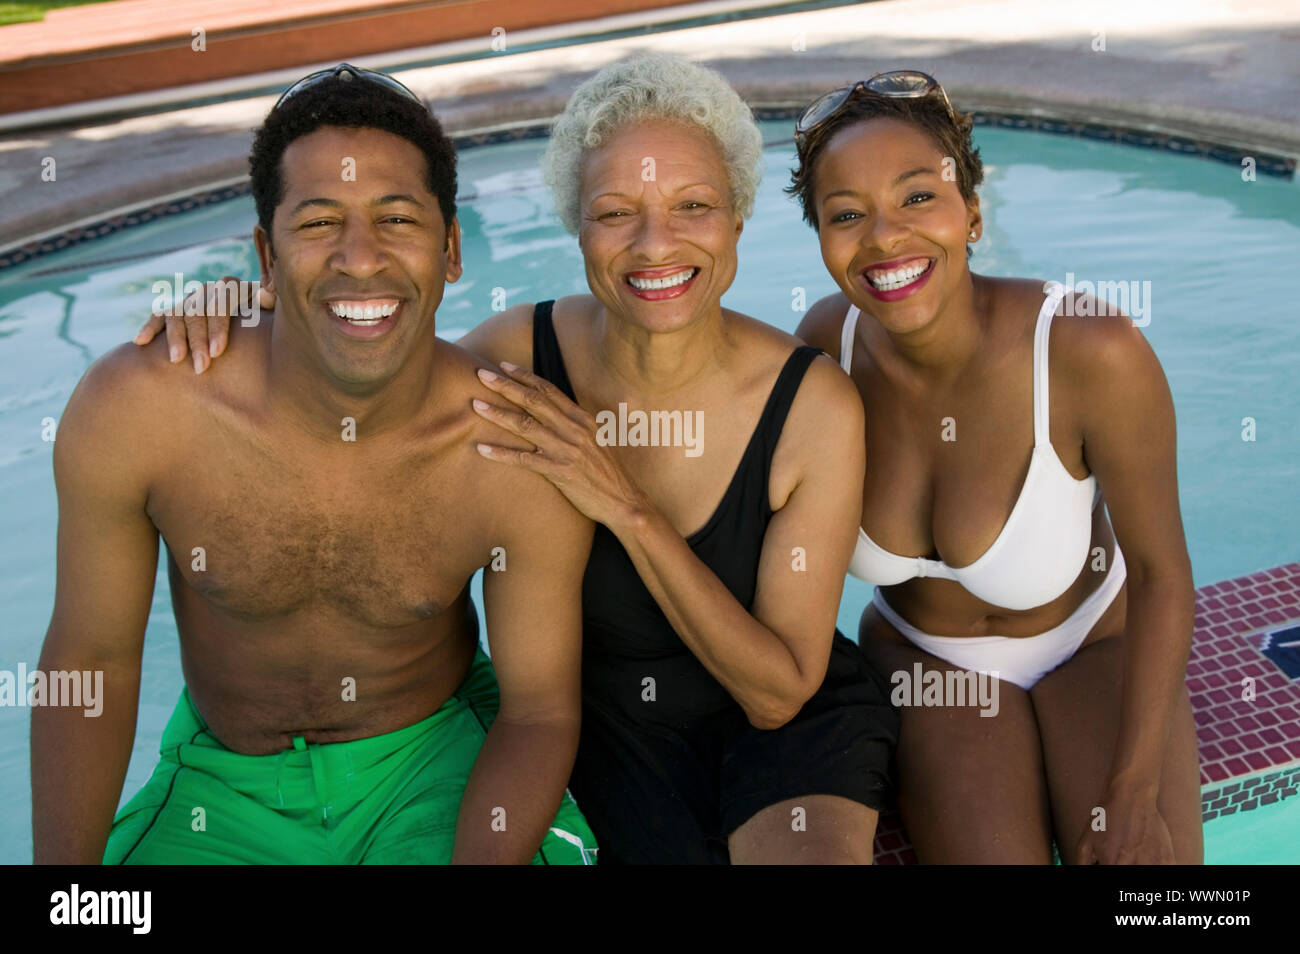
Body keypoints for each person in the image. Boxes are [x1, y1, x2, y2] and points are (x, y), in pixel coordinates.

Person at [133, 53, 899, 865]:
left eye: (693, 207)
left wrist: (625, 507)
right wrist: (252, 300)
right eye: (615, 213)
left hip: (785, 724)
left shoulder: (811, 405)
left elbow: (778, 694)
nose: (655, 244)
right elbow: (368, 368)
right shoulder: (514, 360)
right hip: (603, 722)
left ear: (737, 219)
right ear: (577, 226)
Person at [33, 64, 597, 865]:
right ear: (265, 255)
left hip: (433, 769)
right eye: (318, 222)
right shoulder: (141, 410)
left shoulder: (513, 444)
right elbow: (90, 661)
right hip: (224, 785)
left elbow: (539, 713)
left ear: (452, 248)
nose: (358, 258)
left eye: (396, 218)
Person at [791, 72, 1203, 864]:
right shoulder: (823, 350)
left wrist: (1133, 791)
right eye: (847, 214)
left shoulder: (1088, 348)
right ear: (821, 240)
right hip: (926, 662)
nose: (882, 237)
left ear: (972, 213)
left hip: (1092, 643)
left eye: (918, 198)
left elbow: (1162, 574)